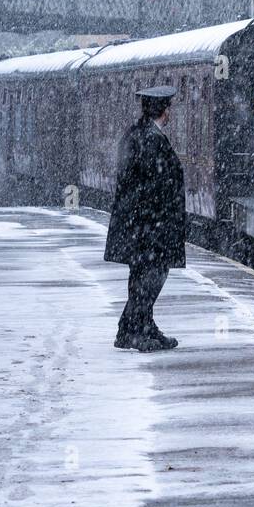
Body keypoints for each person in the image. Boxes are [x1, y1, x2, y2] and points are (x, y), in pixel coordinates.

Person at [104, 84, 185, 352]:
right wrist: (161, 220)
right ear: (163, 111)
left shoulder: (137, 133)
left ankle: (143, 327)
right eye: (169, 107)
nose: (171, 112)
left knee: (142, 278)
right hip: (150, 226)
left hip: (140, 224)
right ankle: (129, 332)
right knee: (150, 280)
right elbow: (154, 185)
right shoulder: (151, 139)